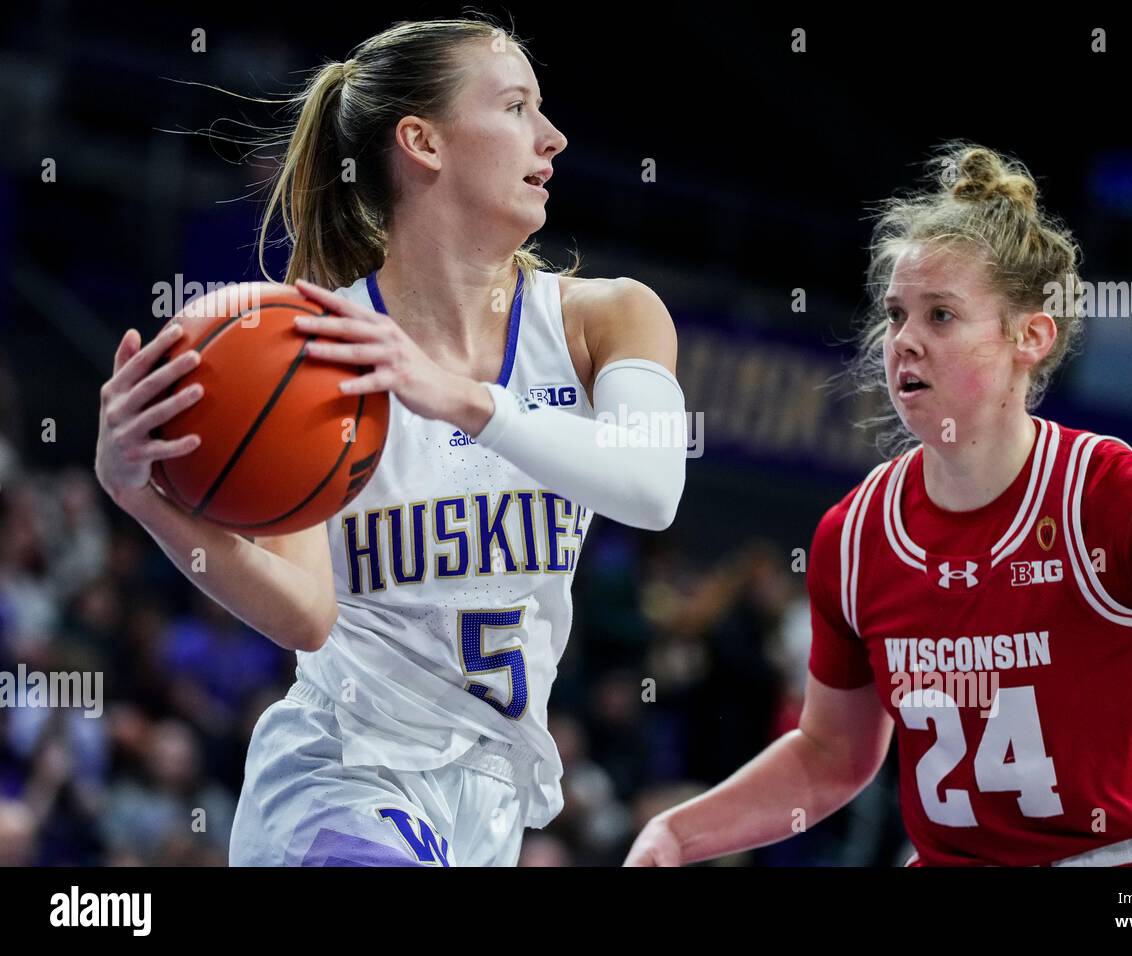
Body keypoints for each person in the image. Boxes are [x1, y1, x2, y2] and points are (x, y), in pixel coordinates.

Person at [94, 17, 687, 866]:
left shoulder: (610, 316)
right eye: (518, 106)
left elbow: (652, 485)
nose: (552, 138)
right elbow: (304, 613)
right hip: (341, 776)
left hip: (488, 803)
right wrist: (139, 497)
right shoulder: (312, 346)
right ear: (422, 141)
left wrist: (462, 398)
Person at [624, 143, 1132, 867]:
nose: (905, 340)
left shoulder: (1120, 503)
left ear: (1029, 337)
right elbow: (830, 755)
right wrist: (675, 834)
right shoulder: (853, 539)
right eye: (896, 314)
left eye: (941, 315)